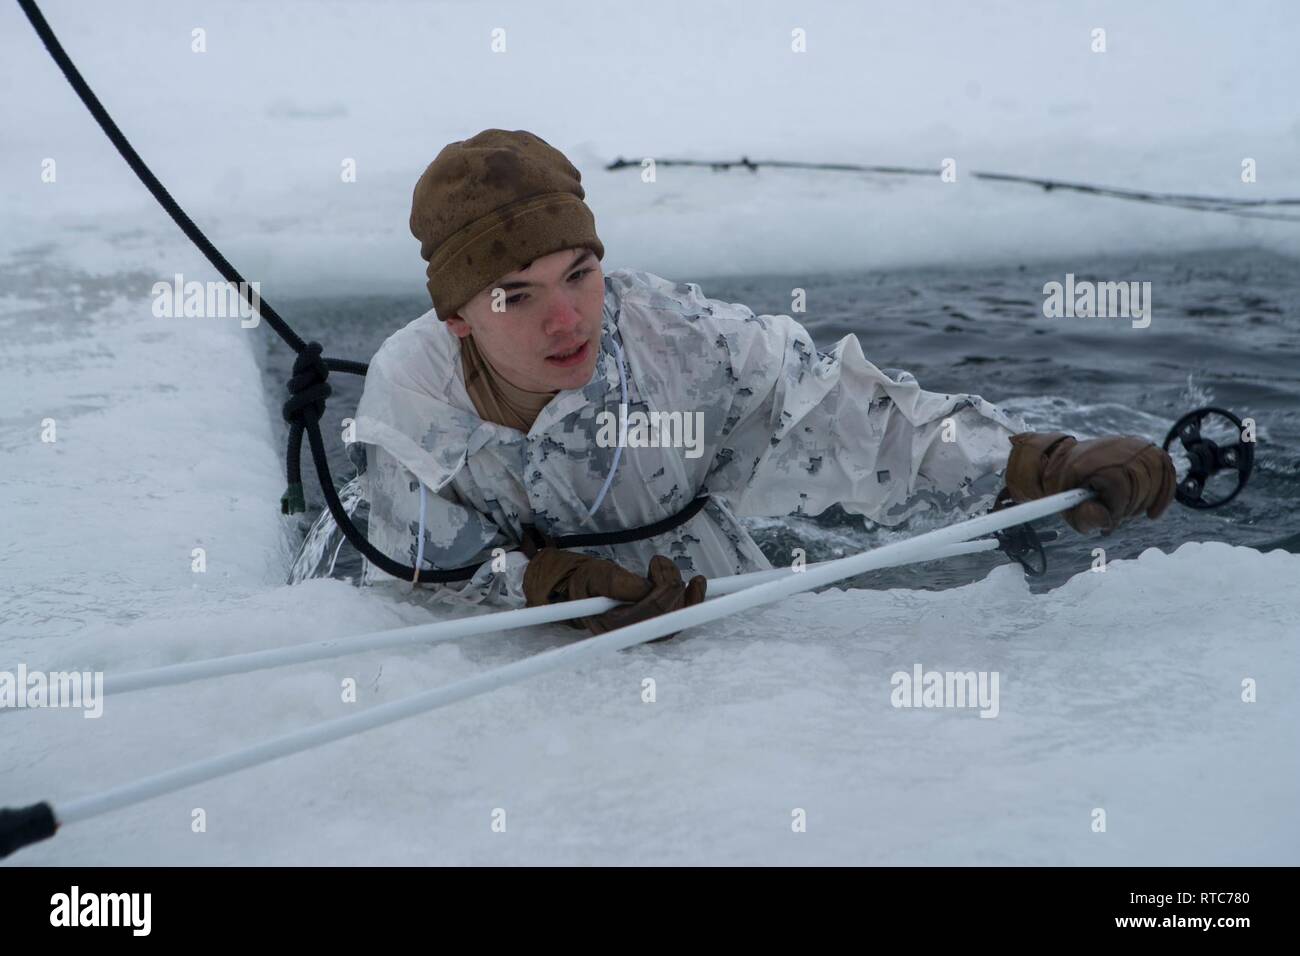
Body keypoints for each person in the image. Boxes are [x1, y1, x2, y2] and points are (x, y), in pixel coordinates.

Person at [342, 128, 1175, 635]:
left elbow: (850, 419)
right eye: (516, 296)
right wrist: (535, 586)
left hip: (701, 605)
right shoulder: (410, 401)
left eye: (580, 273)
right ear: (457, 319)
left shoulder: (680, 342)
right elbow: (416, 588)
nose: (567, 320)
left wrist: (1037, 463)